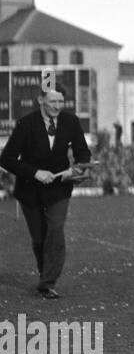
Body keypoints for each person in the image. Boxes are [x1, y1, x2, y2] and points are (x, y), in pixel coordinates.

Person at [0, 85, 93, 298]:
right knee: (39, 239)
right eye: (53, 102)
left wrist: (78, 168)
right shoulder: (25, 124)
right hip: (29, 190)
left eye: (61, 102)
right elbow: (6, 159)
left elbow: (83, 153)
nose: (57, 107)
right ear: (40, 100)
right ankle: (45, 277)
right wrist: (35, 173)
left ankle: (48, 283)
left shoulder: (71, 122)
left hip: (59, 189)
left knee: (56, 230)